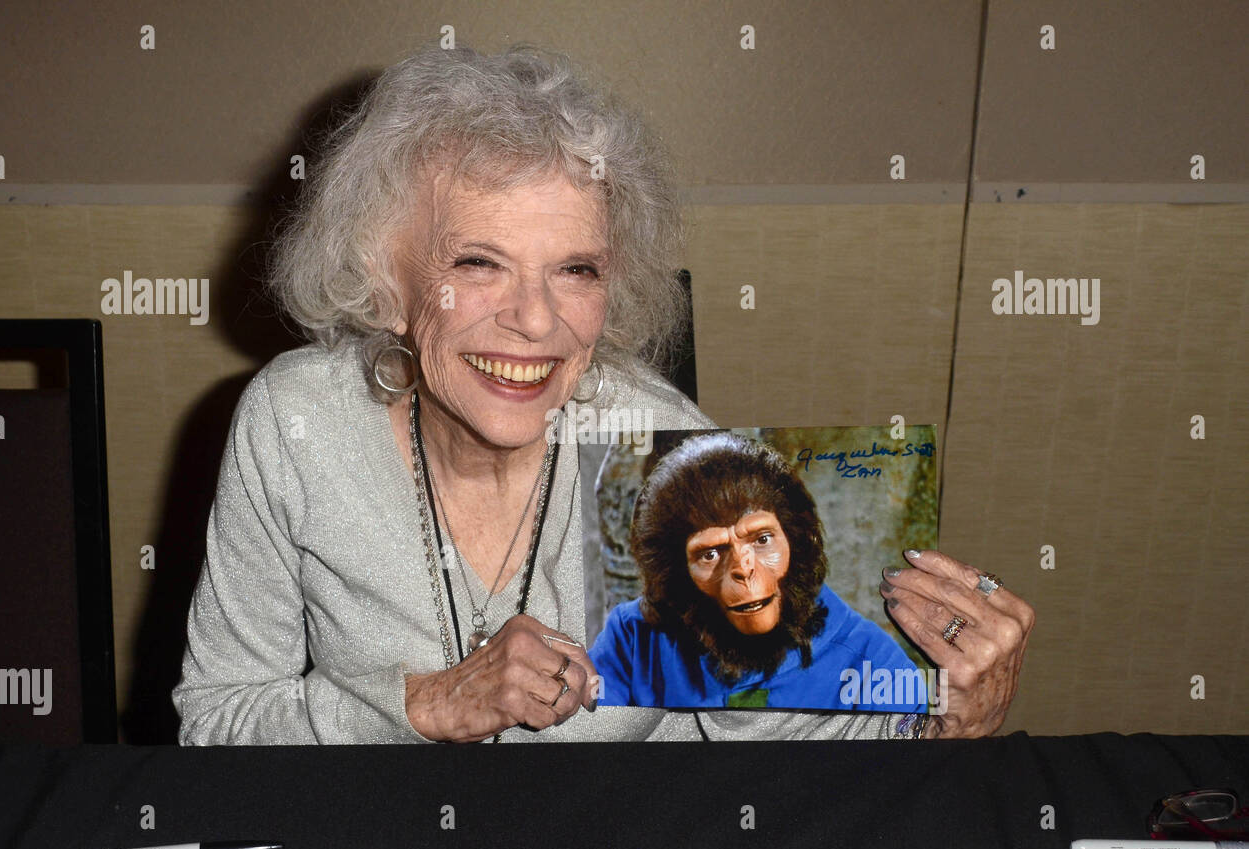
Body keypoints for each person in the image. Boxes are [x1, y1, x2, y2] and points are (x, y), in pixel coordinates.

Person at [172, 43, 1035, 745]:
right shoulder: (298, 425)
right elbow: (214, 723)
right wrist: (425, 704)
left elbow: (792, 742)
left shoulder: (665, 458)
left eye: (575, 271)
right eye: (478, 264)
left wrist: (947, 716)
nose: (535, 322)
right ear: (384, 281)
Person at [592, 433, 927, 713]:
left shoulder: (874, 665)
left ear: (797, 541)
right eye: (711, 553)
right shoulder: (632, 639)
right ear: (675, 573)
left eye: (762, 539)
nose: (743, 569)